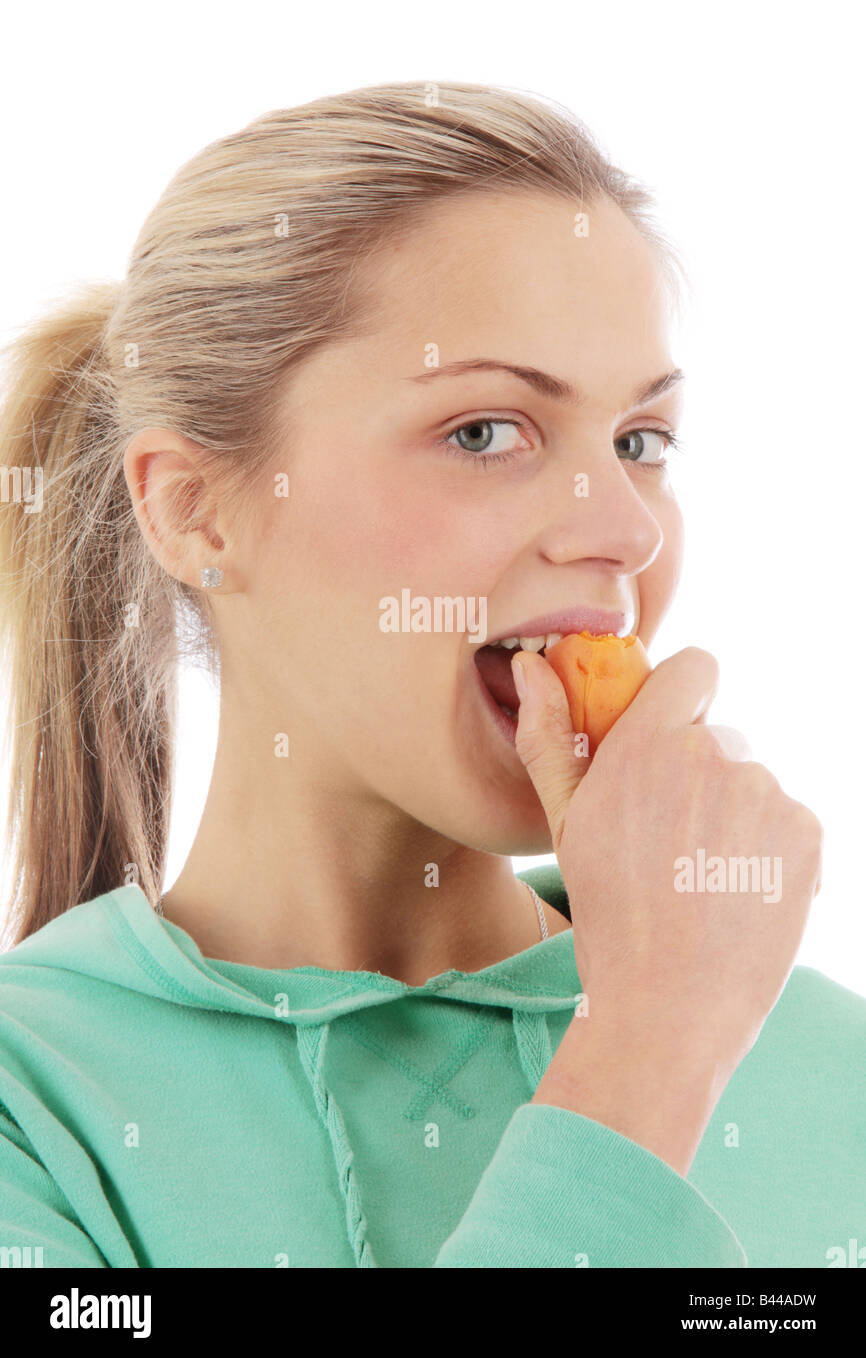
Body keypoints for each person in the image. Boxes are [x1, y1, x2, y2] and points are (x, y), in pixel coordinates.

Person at [0, 81, 861, 1270]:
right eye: (484, 432)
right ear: (195, 509)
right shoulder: (28, 1109)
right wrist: (646, 1057)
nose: (621, 526)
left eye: (638, 443)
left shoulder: (833, 1070)